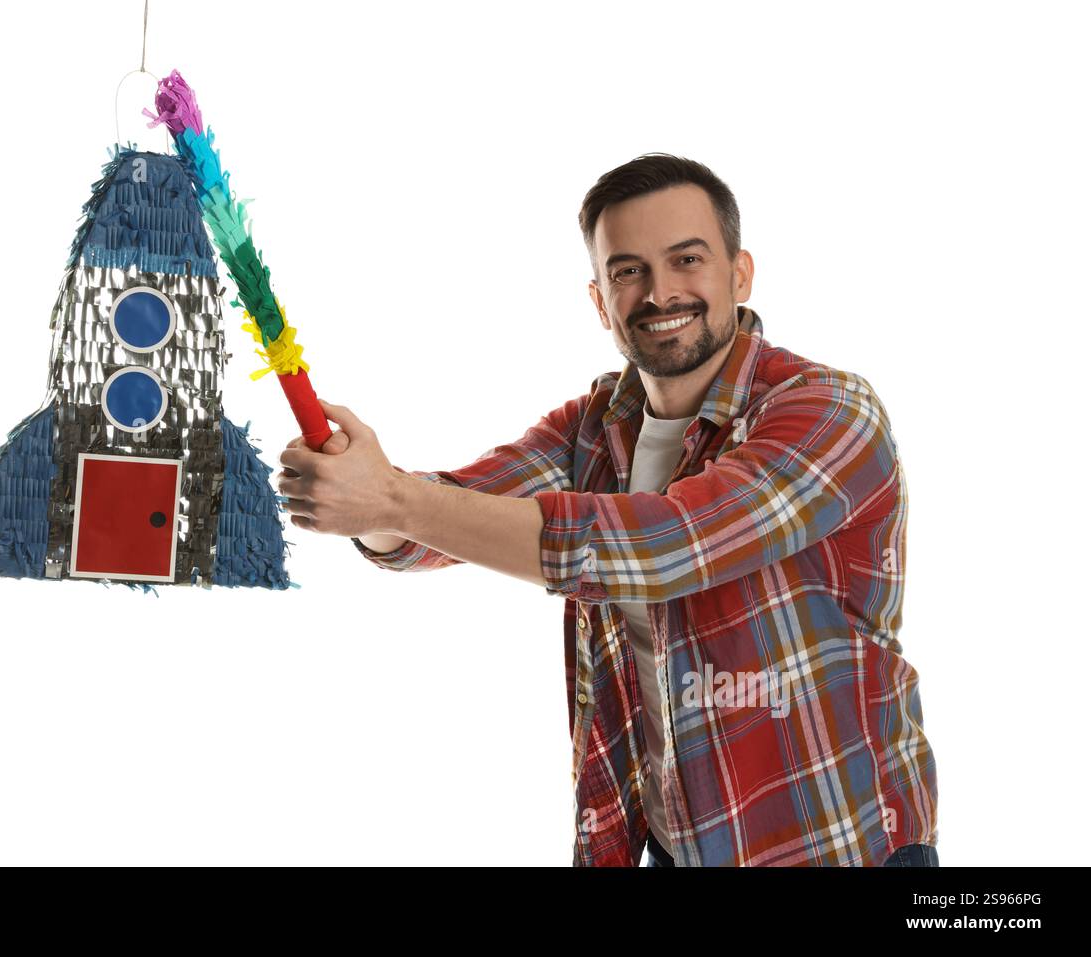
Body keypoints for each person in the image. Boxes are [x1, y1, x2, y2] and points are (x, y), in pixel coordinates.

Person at [277, 153, 939, 867]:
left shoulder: (829, 410)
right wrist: (364, 494)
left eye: (687, 259)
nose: (660, 292)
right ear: (600, 301)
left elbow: (660, 549)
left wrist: (394, 499)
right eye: (628, 271)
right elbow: (434, 524)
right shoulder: (594, 426)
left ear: (739, 274)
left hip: (836, 852)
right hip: (661, 846)